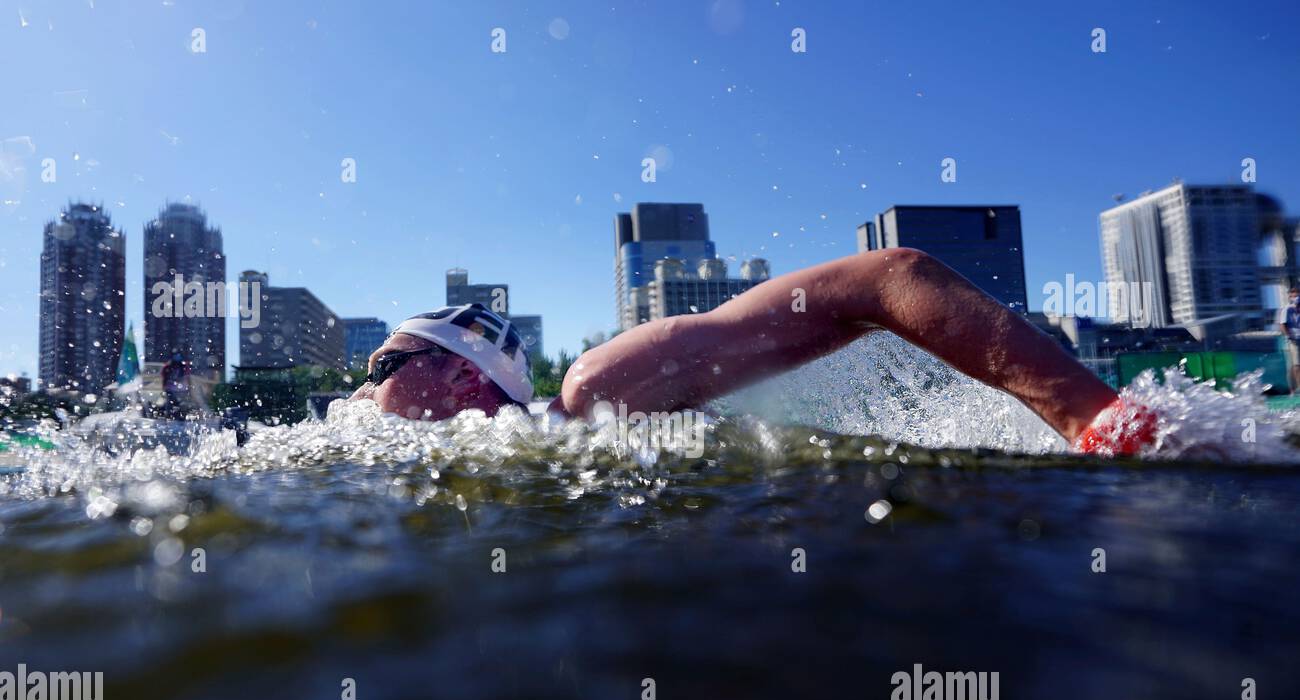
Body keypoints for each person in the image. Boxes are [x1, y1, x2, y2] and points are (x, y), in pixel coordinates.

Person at [349, 250, 1156, 455]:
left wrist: (1094, 420)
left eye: (379, 366)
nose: (362, 389)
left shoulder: (596, 394)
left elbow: (887, 277)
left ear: (459, 375)